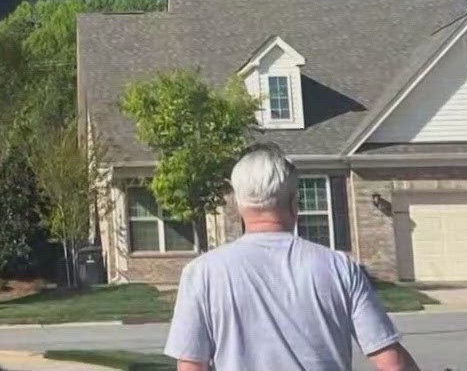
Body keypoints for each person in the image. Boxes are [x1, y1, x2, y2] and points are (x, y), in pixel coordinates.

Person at [162, 145, 420, 371]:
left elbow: (192, 364)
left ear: (239, 204)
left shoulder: (202, 272)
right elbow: (392, 363)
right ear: (295, 202)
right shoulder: (338, 267)